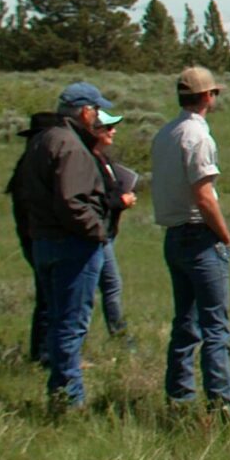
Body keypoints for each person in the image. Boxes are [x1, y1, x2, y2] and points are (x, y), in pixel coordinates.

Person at [15, 82, 117, 410]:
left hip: (44, 242)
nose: (99, 117)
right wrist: (97, 232)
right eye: (97, 111)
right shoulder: (70, 146)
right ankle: (68, 400)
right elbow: (72, 202)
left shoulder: (42, 139)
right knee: (71, 326)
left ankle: (59, 392)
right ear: (85, 112)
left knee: (58, 321)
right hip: (71, 246)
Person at [152, 66, 230, 415]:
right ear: (205, 97)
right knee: (216, 327)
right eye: (214, 93)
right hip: (199, 236)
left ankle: (179, 398)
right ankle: (222, 408)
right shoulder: (198, 137)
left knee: (185, 323)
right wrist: (225, 235)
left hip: (173, 237)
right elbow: (203, 195)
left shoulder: (165, 133)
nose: (215, 99)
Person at [6, 111, 64, 366]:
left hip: (34, 237)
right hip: (40, 238)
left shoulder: (26, 164)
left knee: (46, 296)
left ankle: (43, 351)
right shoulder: (34, 166)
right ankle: (45, 353)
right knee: (49, 298)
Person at [90, 108, 134, 343]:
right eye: (108, 128)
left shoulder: (103, 159)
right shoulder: (89, 160)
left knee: (104, 287)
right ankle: (120, 338)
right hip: (97, 233)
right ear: (94, 131)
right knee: (110, 286)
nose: (113, 131)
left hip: (106, 232)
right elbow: (97, 199)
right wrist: (122, 201)